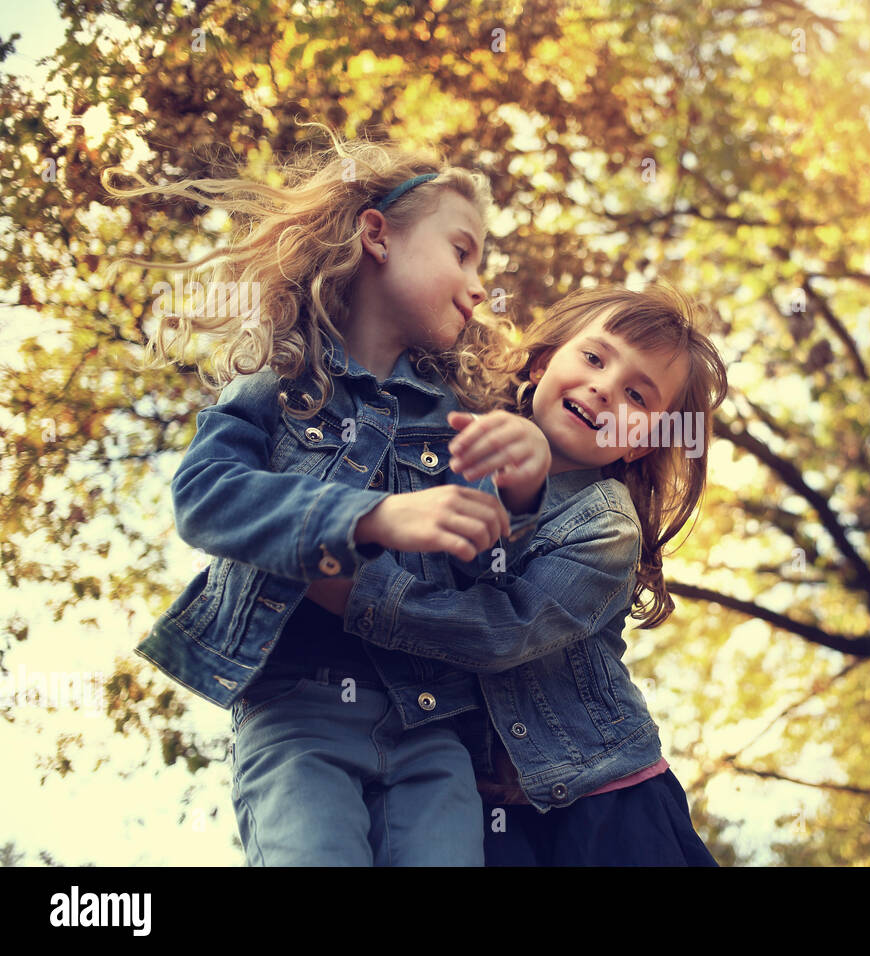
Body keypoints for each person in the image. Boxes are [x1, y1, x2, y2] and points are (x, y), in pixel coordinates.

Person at [105, 123, 552, 865]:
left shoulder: (459, 417)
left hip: (432, 728)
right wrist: (373, 514)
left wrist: (524, 487)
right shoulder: (279, 385)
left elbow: (485, 574)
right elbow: (207, 496)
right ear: (377, 236)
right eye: (462, 251)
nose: (480, 285)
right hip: (298, 711)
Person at [307, 283, 730, 865]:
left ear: (640, 446)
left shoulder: (607, 526)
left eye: (637, 394)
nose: (604, 389)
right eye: (593, 358)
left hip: (603, 789)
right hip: (484, 798)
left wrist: (361, 597)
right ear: (540, 364)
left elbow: (500, 632)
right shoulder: (447, 447)